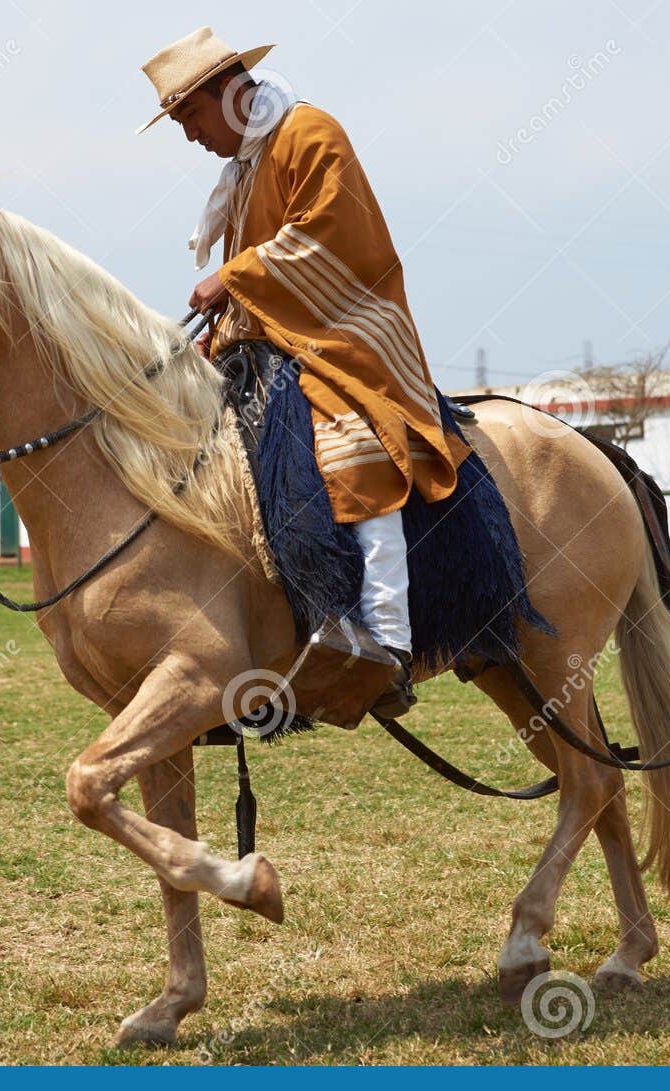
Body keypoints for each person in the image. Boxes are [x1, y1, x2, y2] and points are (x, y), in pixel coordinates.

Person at [138, 27, 468, 715]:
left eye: (191, 116)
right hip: (280, 345)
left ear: (229, 94)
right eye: (180, 124)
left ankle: (388, 642)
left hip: (347, 338)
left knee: (354, 455)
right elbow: (262, 288)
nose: (191, 136)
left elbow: (331, 237)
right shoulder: (246, 169)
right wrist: (220, 332)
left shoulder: (311, 134)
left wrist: (233, 274)